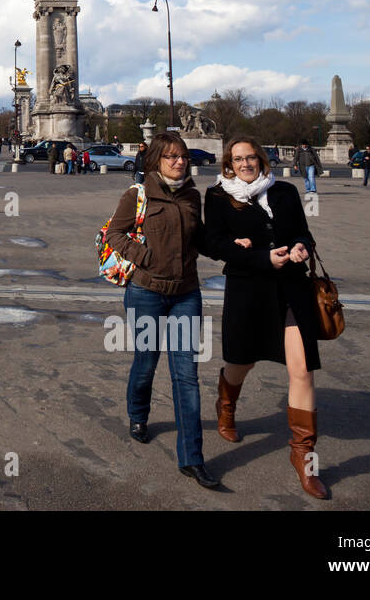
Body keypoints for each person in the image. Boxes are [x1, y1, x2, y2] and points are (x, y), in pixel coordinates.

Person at [203, 135, 329, 499]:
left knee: (302, 369)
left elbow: (303, 231)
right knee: (241, 362)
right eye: (237, 159)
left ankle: (303, 456)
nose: (245, 164)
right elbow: (213, 243)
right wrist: (259, 257)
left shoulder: (285, 191)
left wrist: (303, 246)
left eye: (251, 157)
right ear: (228, 164)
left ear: (262, 159)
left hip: (291, 287)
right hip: (248, 289)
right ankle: (226, 404)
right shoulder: (218, 196)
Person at [104, 132, 218, 490]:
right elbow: (115, 235)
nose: (179, 161)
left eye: (182, 156)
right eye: (170, 156)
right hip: (146, 293)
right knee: (147, 361)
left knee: (186, 375)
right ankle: (138, 415)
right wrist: (145, 259)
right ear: (156, 161)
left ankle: (192, 459)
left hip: (186, 294)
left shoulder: (191, 195)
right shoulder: (136, 195)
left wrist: (235, 247)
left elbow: (198, 239)